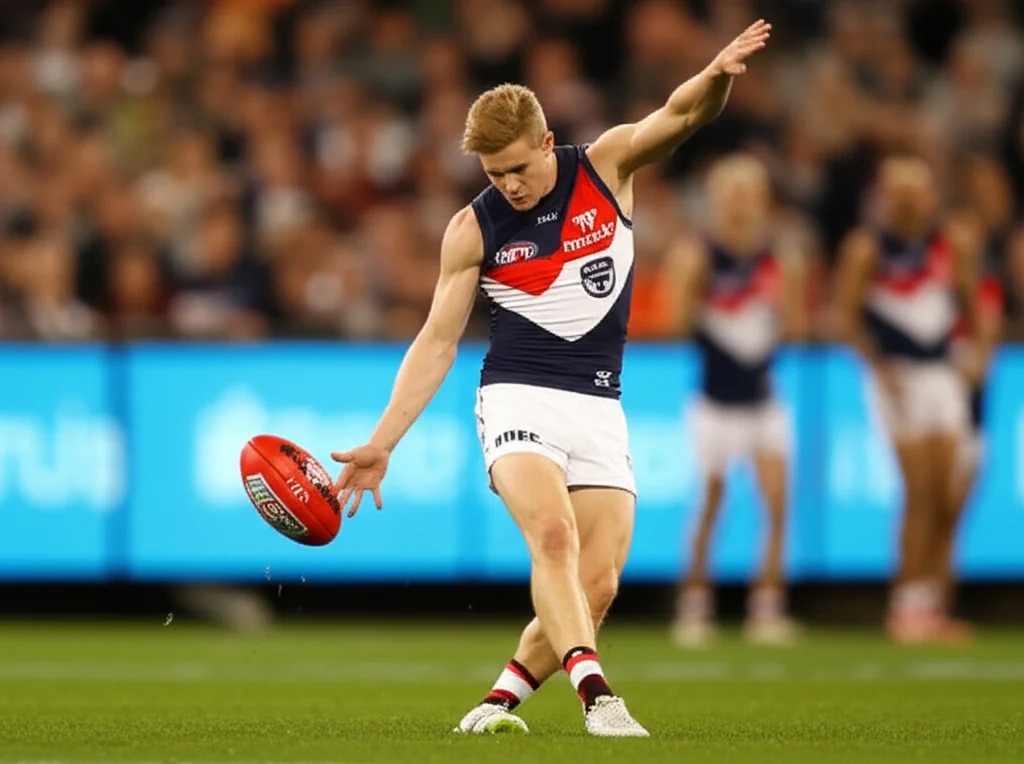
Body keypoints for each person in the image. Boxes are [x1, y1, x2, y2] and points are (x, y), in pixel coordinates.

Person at [329, 20, 772, 737]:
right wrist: (384, 441)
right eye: (492, 174)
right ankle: (599, 698)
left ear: (546, 143)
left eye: (516, 167)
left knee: (597, 584)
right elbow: (437, 340)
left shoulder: (607, 166)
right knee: (554, 538)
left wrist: (716, 73)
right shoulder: (472, 229)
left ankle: (496, 705)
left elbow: (684, 113)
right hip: (517, 396)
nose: (508, 184)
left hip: (598, 402)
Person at [834, 156, 980, 644]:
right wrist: (879, 368)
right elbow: (847, 317)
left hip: (942, 375)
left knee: (946, 495)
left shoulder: (950, 242)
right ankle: (905, 603)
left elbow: (970, 303)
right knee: (917, 491)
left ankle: (932, 601)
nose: (907, 203)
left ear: (930, 197)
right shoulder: (867, 247)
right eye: (898, 194)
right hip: (898, 377)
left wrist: (976, 354)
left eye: (915, 193)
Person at [665, 153, 807, 648]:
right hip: (714, 402)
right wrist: (701, 290)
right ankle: (694, 604)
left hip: (764, 399)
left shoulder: (779, 257)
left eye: (748, 196)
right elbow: (677, 323)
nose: (740, 207)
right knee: (711, 504)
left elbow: (795, 326)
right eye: (732, 197)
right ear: (717, 202)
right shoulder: (697, 253)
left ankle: (767, 607)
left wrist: (766, 310)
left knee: (777, 504)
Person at [928, 208, 1003, 642]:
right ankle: (918, 601)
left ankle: (939, 605)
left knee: (951, 519)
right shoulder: (934, 291)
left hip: (971, 419)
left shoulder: (983, 289)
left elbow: (982, 357)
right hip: (939, 417)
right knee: (931, 511)